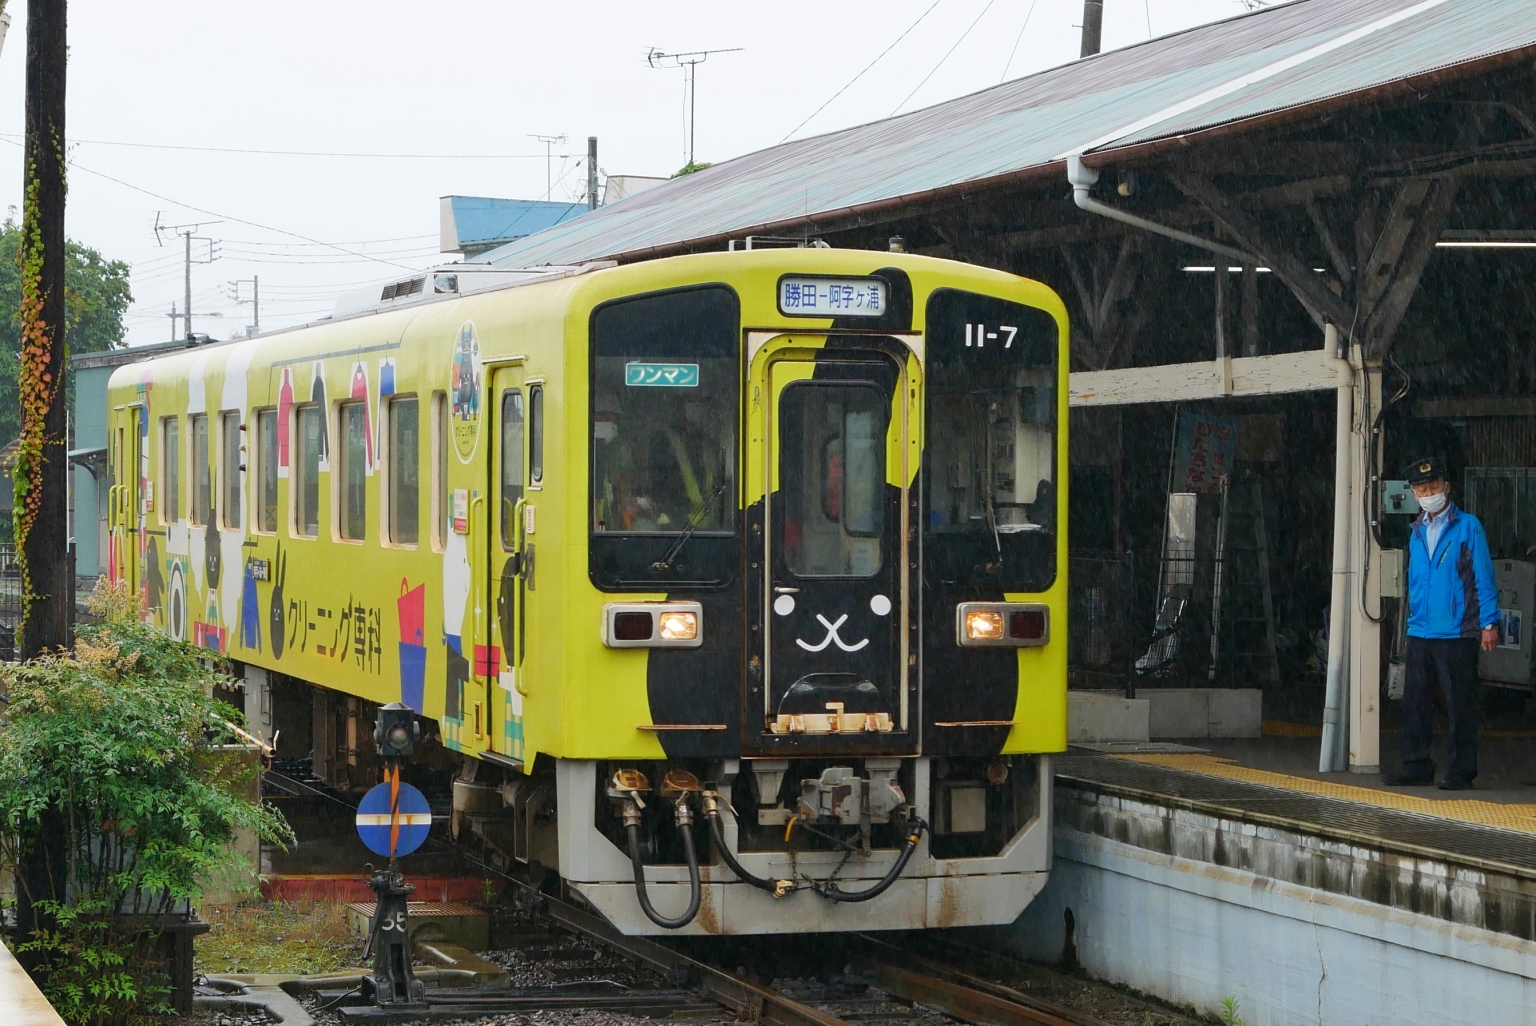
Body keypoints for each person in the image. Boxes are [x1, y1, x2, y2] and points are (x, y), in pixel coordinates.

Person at [1383, 457, 1501, 790]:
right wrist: (1407, 623)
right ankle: (1416, 764)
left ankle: (1462, 769)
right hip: (1421, 629)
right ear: (1414, 492)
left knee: (1459, 704)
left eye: (1434, 486)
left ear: (1446, 486)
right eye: (1422, 488)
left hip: (1457, 631)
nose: (1429, 492)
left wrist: (1489, 623)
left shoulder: (1468, 526)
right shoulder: (1416, 531)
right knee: (1415, 702)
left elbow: (1483, 578)